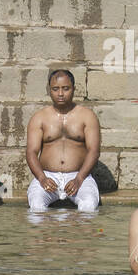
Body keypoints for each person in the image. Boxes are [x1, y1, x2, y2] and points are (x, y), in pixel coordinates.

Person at [25, 69, 101, 211]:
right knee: (36, 207)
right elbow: (31, 152)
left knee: (89, 206)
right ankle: (46, 234)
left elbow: (94, 151)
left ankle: (76, 233)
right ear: (49, 90)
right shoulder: (39, 117)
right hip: (47, 175)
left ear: (73, 89)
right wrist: (42, 178)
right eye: (55, 89)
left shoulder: (87, 116)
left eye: (65, 89)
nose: (60, 94)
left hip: (79, 176)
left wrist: (79, 179)